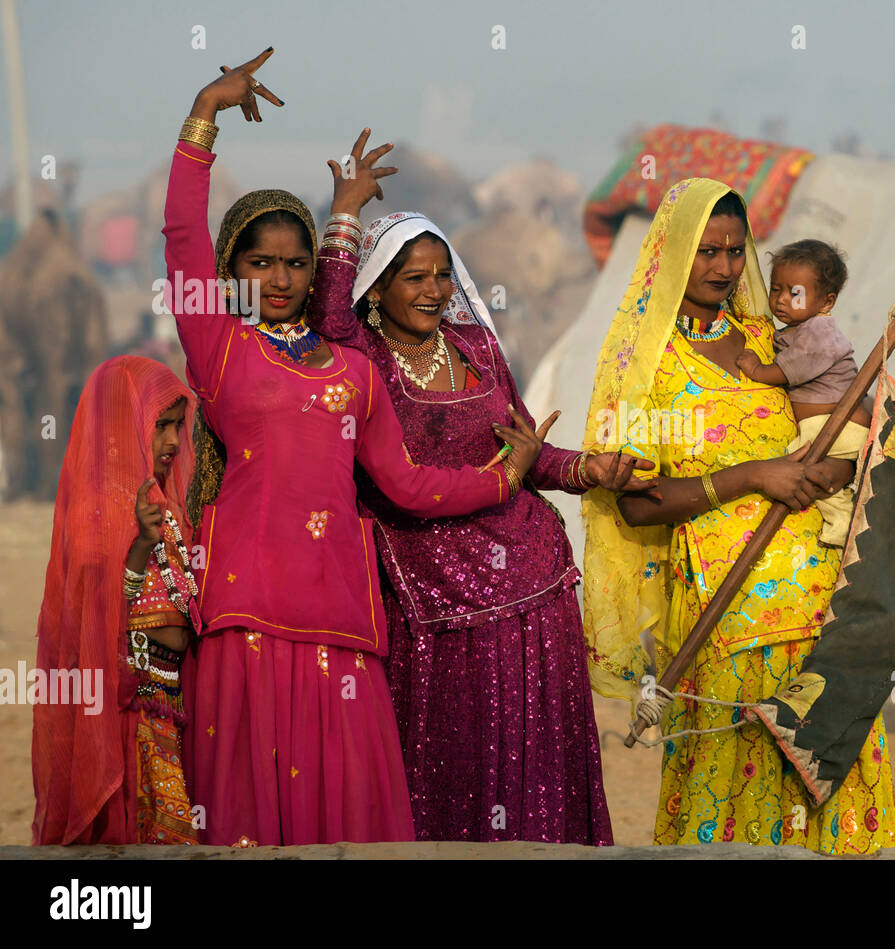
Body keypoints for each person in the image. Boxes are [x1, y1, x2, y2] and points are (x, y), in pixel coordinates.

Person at [164, 50, 532, 846]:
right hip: (244, 609)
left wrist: (503, 480)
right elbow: (181, 234)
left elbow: (408, 483)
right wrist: (204, 112)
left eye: (296, 262)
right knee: (248, 820)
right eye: (260, 263)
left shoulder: (355, 372)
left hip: (340, 616)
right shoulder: (222, 350)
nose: (281, 277)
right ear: (231, 271)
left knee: (346, 824)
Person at [306, 210, 655, 843]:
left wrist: (591, 468)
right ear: (376, 288)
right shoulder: (362, 359)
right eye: (413, 277)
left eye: (442, 275)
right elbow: (328, 316)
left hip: (533, 584)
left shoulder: (478, 348)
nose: (434, 290)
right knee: (448, 762)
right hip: (434, 600)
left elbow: (527, 452)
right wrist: (345, 214)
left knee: (538, 762)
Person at [582, 178, 895, 854]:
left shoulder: (774, 338)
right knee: (729, 787)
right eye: (705, 251)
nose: (724, 267)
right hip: (719, 616)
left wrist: (836, 470)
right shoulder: (645, 362)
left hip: (816, 605)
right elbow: (637, 499)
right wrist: (755, 476)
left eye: (734, 250)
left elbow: (846, 419)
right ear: (671, 254)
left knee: (818, 772)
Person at [32, 356, 201, 845]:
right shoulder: (99, 507)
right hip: (128, 708)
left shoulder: (162, 501)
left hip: (172, 699)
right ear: (123, 423)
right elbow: (92, 617)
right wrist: (140, 548)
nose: (173, 441)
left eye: (177, 426)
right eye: (159, 426)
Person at [735, 238, 870, 547]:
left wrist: (756, 369)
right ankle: (841, 518)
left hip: (836, 427)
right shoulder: (797, 329)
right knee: (809, 473)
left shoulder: (818, 332)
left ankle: (845, 521)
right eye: (776, 289)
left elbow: (786, 371)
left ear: (827, 302)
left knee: (796, 471)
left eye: (795, 293)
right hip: (824, 426)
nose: (782, 300)